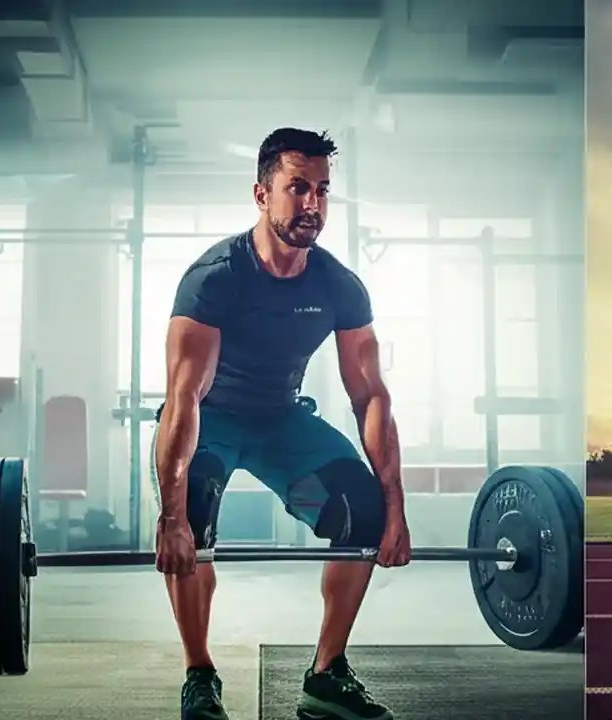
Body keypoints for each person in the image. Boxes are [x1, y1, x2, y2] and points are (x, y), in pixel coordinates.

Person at [152, 127, 409, 719]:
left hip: (279, 424)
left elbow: (370, 396)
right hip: (209, 421)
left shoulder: (338, 286)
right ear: (262, 194)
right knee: (193, 514)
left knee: (361, 512)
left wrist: (394, 507)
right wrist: (171, 517)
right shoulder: (215, 277)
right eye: (298, 188)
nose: (313, 204)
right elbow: (185, 397)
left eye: (322, 190)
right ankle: (199, 673)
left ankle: (325, 676)